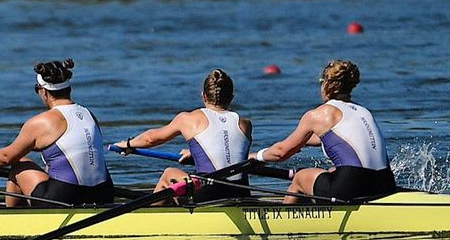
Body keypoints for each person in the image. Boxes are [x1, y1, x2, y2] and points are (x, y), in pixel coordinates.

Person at [253, 60, 395, 203]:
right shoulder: (363, 111)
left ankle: (282, 220)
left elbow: (281, 152)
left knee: (300, 177)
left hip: (351, 187)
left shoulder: (320, 114)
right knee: (332, 171)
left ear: (326, 83)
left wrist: (253, 157)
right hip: (385, 183)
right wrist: (299, 143)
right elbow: (332, 139)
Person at [0, 59, 114, 206]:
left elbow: (6, 157)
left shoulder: (43, 122)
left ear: (44, 91)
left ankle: (10, 221)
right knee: (52, 164)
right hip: (104, 195)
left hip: (65, 197)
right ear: (69, 89)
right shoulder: (89, 115)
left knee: (20, 164)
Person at [113, 69, 253, 203]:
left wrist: (128, 144)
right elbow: (230, 153)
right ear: (231, 98)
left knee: (169, 174)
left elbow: (151, 138)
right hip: (241, 191)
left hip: (209, 192)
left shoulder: (188, 118)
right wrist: (194, 153)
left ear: (203, 95)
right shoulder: (245, 124)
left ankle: (150, 219)